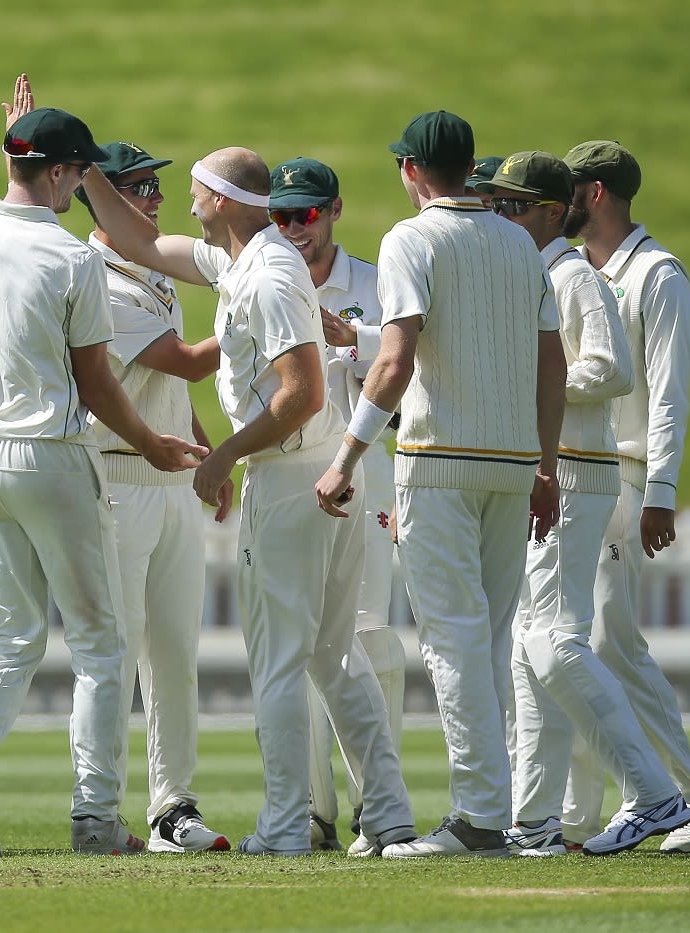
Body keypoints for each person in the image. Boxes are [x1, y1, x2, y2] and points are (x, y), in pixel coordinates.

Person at [84, 145, 417, 857]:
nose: (186, 202)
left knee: (281, 659)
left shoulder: (265, 275)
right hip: (322, 474)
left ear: (226, 202)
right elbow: (139, 239)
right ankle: (387, 814)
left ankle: (288, 824)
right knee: (335, 655)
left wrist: (228, 453)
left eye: (198, 191)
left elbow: (305, 393)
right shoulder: (242, 260)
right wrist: (83, 169)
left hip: (295, 476)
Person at [0, 101, 206, 857]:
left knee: (14, 637)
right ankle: (94, 815)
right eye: (78, 172)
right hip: (52, 454)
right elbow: (97, 384)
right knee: (100, 643)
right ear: (56, 171)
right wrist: (149, 442)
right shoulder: (73, 257)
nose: (80, 185)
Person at [314, 111, 567, 859]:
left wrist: (347, 457)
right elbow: (549, 363)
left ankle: (480, 820)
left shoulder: (410, 238)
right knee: (485, 642)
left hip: (440, 458)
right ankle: (504, 814)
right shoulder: (520, 244)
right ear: (470, 169)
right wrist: (546, 463)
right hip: (513, 460)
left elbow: (395, 362)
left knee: (454, 643)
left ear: (411, 171)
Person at [479, 151, 690, 855]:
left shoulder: (572, 276)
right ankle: (537, 818)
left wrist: (537, 385)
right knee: (527, 649)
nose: (500, 217)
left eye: (512, 207)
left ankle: (657, 794)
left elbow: (612, 369)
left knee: (557, 641)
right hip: (557, 471)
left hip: (581, 472)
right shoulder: (542, 273)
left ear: (548, 212)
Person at [559, 140, 690, 853]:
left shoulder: (658, 275)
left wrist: (660, 490)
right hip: (573, 474)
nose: (556, 202)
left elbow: (669, 396)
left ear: (595, 192)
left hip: (624, 478)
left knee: (609, 643)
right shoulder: (573, 271)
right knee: (577, 644)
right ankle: (576, 812)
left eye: (568, 188)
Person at [76, 141, 231, 853]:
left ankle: (173, 807)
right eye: (139, 188)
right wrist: (259, 298)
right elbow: (191, 358)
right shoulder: (96, 277)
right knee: (114, 656)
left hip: (167, 483)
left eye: (156, 188)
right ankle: (97, 808)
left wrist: (206, 451)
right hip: (115, 483)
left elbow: (173, 385)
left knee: (174, 655)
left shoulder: (152, 274)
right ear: (103, 199)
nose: (156, 200)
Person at [265, 157, 405, 853]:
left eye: (307, 214)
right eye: (282, 215)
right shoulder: (265, 282)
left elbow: (412, 377)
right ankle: (314, 811)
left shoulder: (375, 284)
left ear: (335, 210)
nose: (294, 228)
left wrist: (356, 344)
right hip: (292, 479)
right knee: (302, 645)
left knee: (368, 641)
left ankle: (375, 809)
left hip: (368, 479)